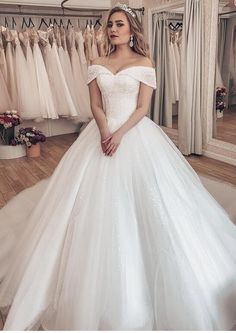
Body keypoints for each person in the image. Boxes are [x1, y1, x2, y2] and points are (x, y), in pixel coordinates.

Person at [0, 3, 236, 331]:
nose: (113, 29)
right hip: (102, 133)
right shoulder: (97, 62)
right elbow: (95, 104)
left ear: (131, 29)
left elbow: (142, 108)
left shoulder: (144, 62)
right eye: (111, 24)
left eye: (120, 24)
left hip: (134, 134)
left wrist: (120, 133)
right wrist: (104, 131)